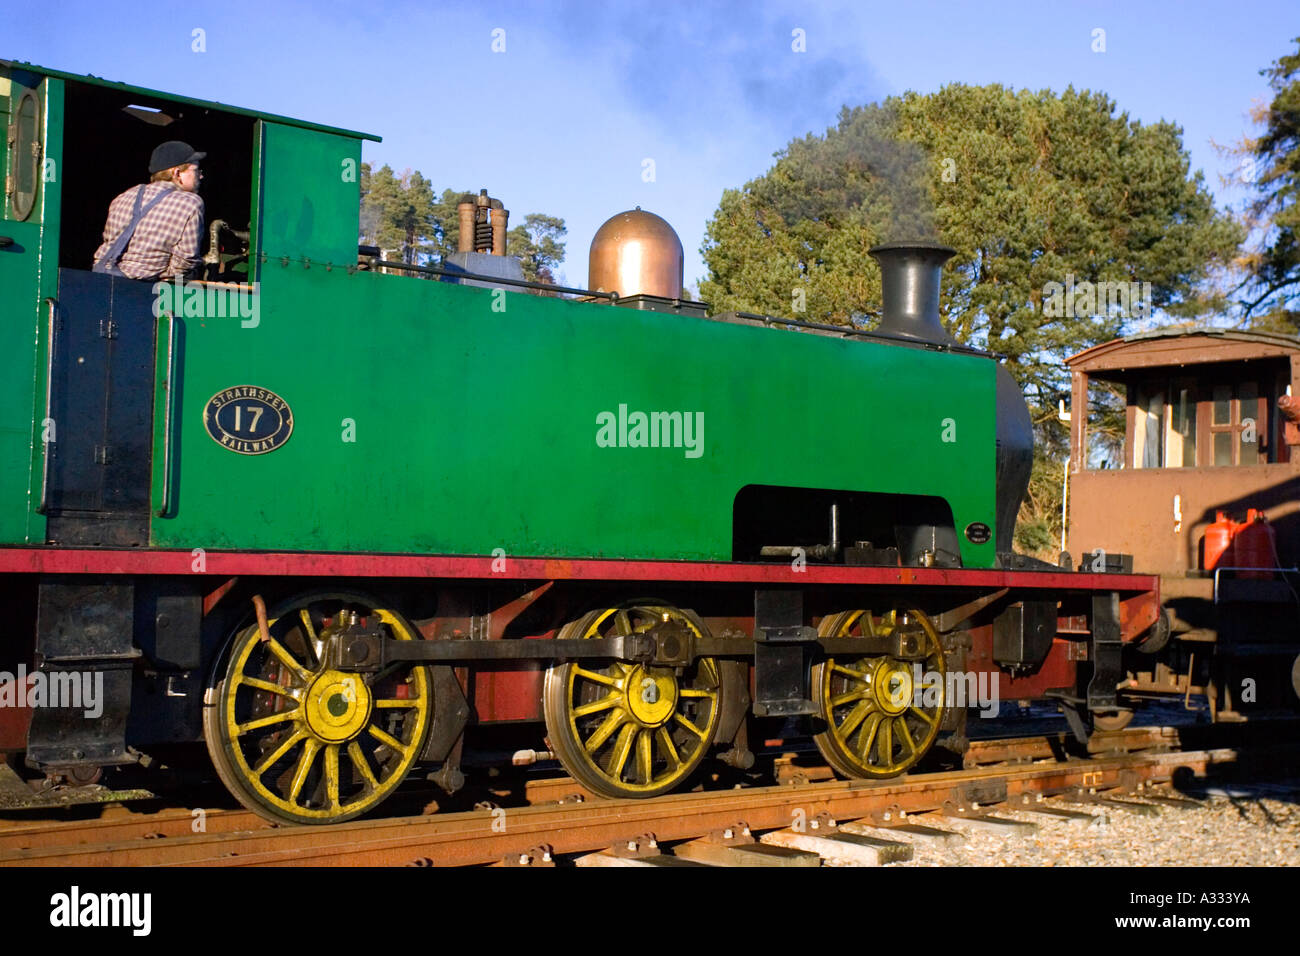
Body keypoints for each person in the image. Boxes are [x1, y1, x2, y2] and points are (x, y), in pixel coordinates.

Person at [92, 141, 206, 281]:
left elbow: (109, 240)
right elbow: (186, 260)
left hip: (100, 277)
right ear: (177, 173)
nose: (201, 176)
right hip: (141, 286)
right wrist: (163, 275)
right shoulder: (190, 202)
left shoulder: (123, 197)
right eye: (196, 170)